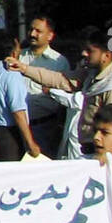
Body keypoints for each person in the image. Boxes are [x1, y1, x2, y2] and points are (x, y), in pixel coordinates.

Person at [8, 27, 112, 156]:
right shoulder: (90, 76)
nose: (84, 54)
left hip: (105, 154)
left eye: (90, 51)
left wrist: (106, 157)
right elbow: (59, 79)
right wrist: (24, 69)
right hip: (90, 149)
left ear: (106, 55)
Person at [0, 31, 42, 161]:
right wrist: (30, 142)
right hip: (9, 135)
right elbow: (18, 111)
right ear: (14, 51)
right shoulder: (12, 73)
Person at [17, 15, 71, 157]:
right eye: (31, 29)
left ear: (50, 36)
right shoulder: (19, 57)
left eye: (38, 31)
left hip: (45, 127)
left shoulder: (58, 62)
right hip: (17, 126)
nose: (32, 34)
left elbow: (66, 98)